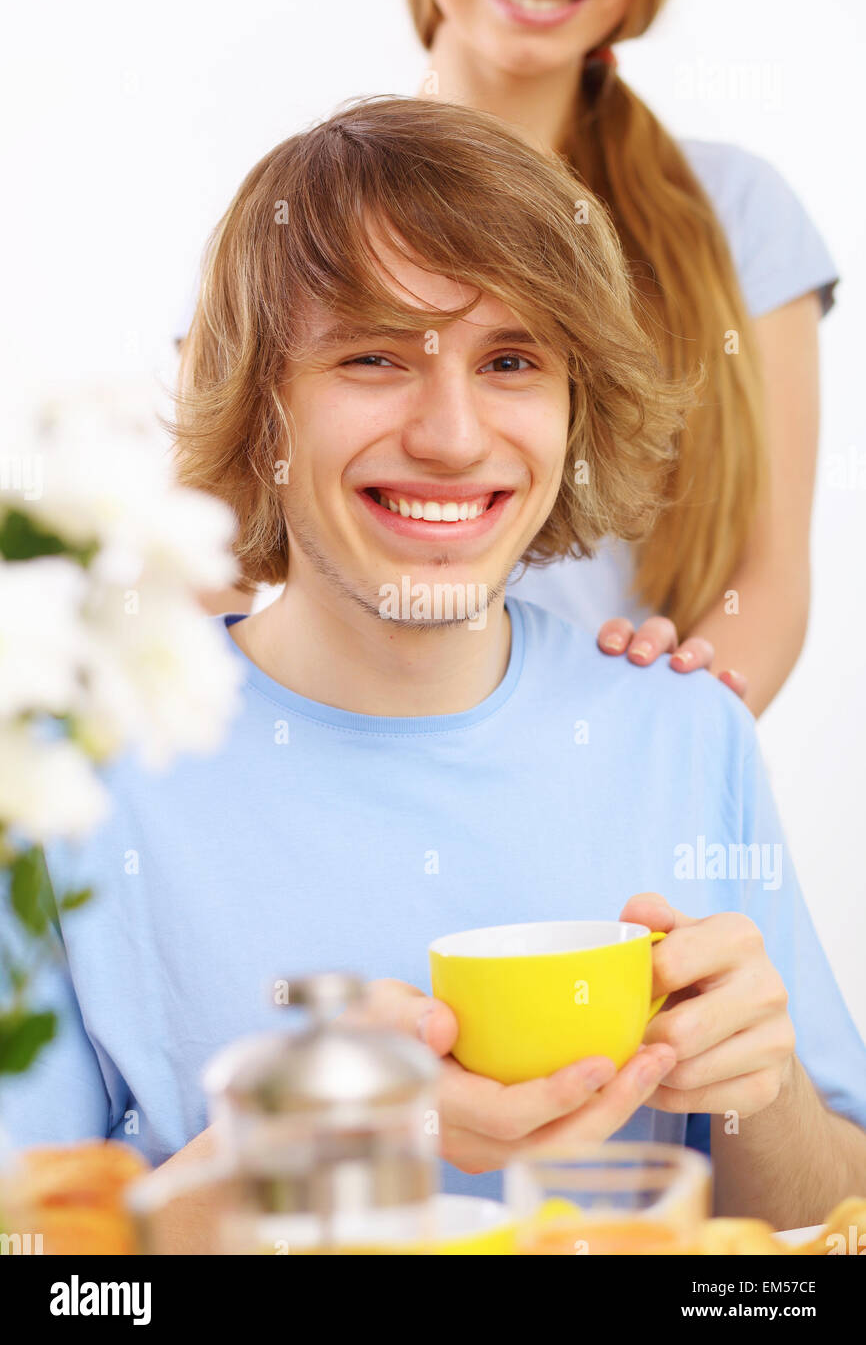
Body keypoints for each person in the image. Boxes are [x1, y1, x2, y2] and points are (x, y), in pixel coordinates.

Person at [5, 100, 864, 1242]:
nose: (452, 435)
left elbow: (819, 1233)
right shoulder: (71, 776)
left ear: (572, 410)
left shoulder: (683, 730)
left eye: (510, 360)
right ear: (265, 407)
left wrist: (766, 1096)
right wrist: (317, 1139)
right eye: (372, 356)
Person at [398, 0, 838, 714]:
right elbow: (212, 554)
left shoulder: (737, 212)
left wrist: (647, 762)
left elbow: (769, 582)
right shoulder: (293, 221)